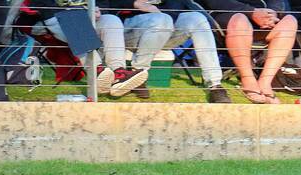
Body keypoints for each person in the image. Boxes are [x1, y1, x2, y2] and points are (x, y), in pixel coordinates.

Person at [98, 0, 230, 101]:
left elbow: (177, 5)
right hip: (126, 30)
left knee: (197, 18)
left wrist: (161, 13)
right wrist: (134, 3)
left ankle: (214, 85)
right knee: (162, 20)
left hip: (164, 27)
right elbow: (106, 4)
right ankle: (138, 73)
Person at [202, 0, 297, 103]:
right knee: (239, 20)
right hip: (227, 16)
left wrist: (272, 14)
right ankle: (247, 80)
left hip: (263, 19)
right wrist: (251, 12)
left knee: (289, 21)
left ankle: (265, 82)